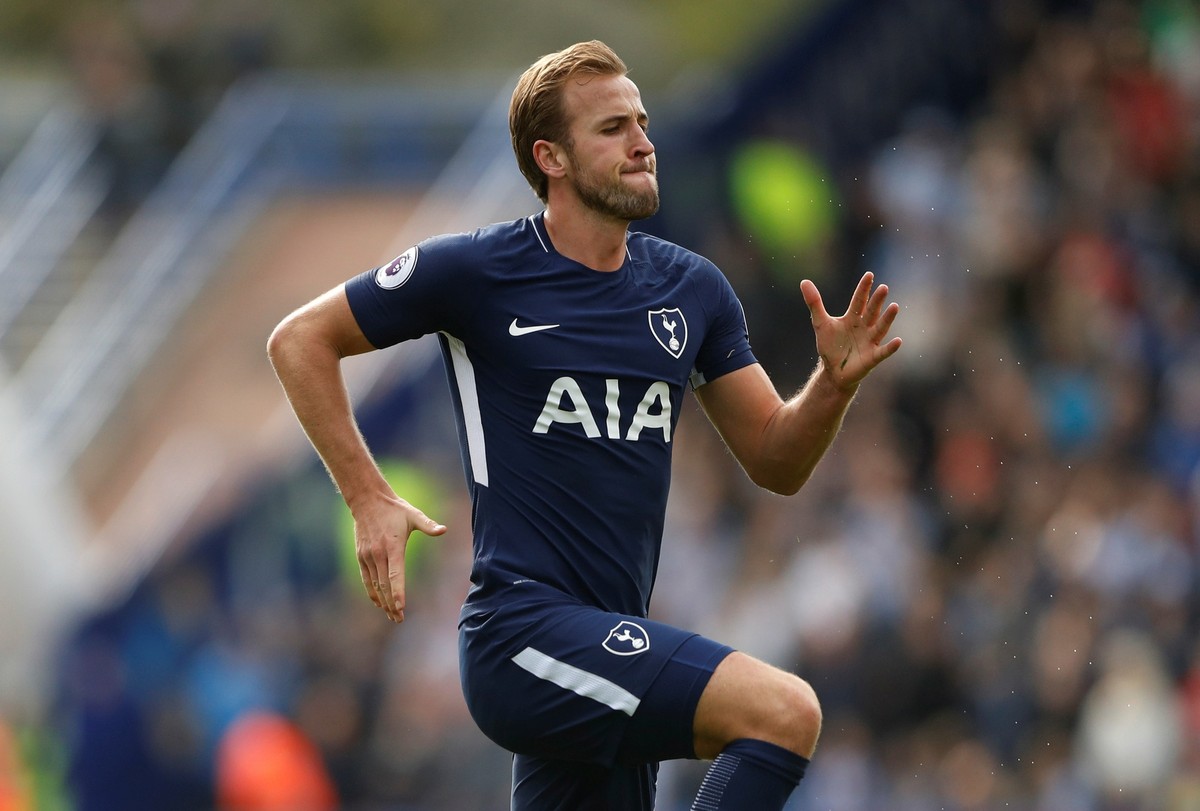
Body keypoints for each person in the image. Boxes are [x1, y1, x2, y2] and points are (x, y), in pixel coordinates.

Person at [268, 40, 901, 811]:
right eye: (612, 128)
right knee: (782, 711)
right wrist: (367, 496)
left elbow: (776, 459)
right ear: (552, 157)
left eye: (642, 121)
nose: (642, 141)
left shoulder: (691, 289)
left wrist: (831, 388)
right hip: (522, 635)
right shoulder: (478, 271)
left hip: (607, 648)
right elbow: (301, 341)